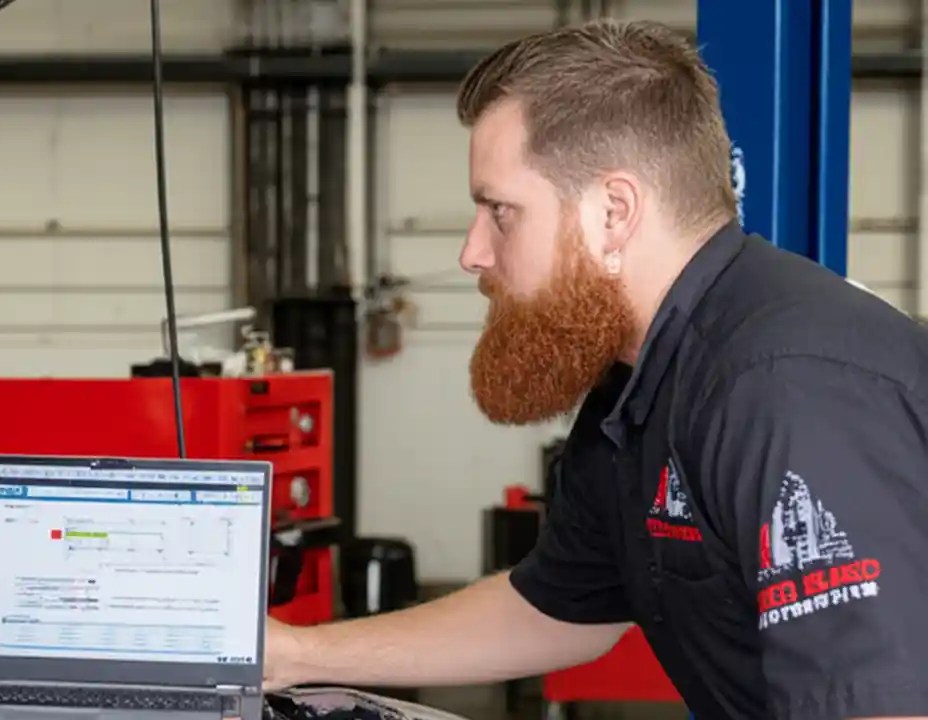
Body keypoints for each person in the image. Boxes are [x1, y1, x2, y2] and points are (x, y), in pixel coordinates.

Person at [263, 19, 928, 720]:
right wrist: (300, 656)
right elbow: (556, 608)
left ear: (613, 213)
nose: (472, 252)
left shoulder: (786, 385)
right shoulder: (642, 384)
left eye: (500, 211)